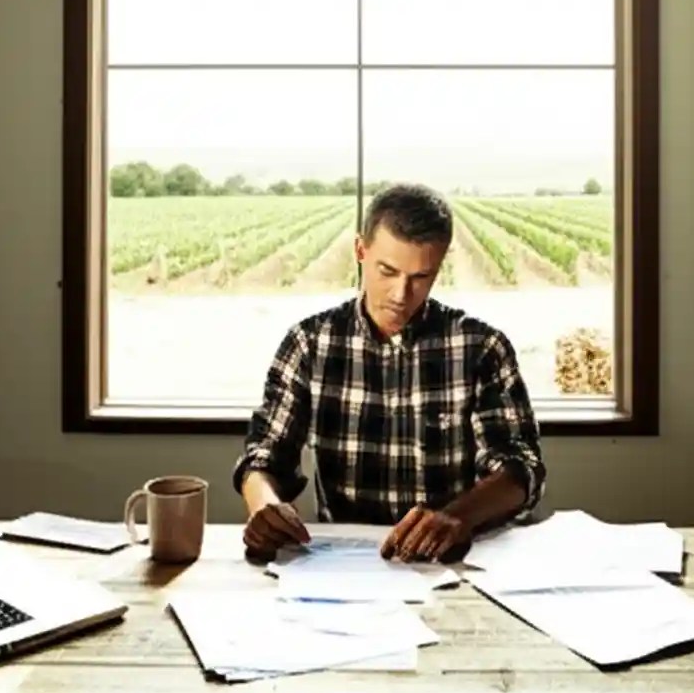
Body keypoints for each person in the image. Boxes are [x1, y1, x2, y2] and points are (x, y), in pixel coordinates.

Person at [231, 182, 547, 564]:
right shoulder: (309, 344)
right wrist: (264, 505)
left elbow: (520, 470)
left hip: (452, 564)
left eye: (420, 277)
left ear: (438, 267)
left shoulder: (481, 347)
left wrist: (457, 516)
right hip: (340, 565)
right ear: (360, 251)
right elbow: (265, 456)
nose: (401, 294)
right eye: (387, 271)